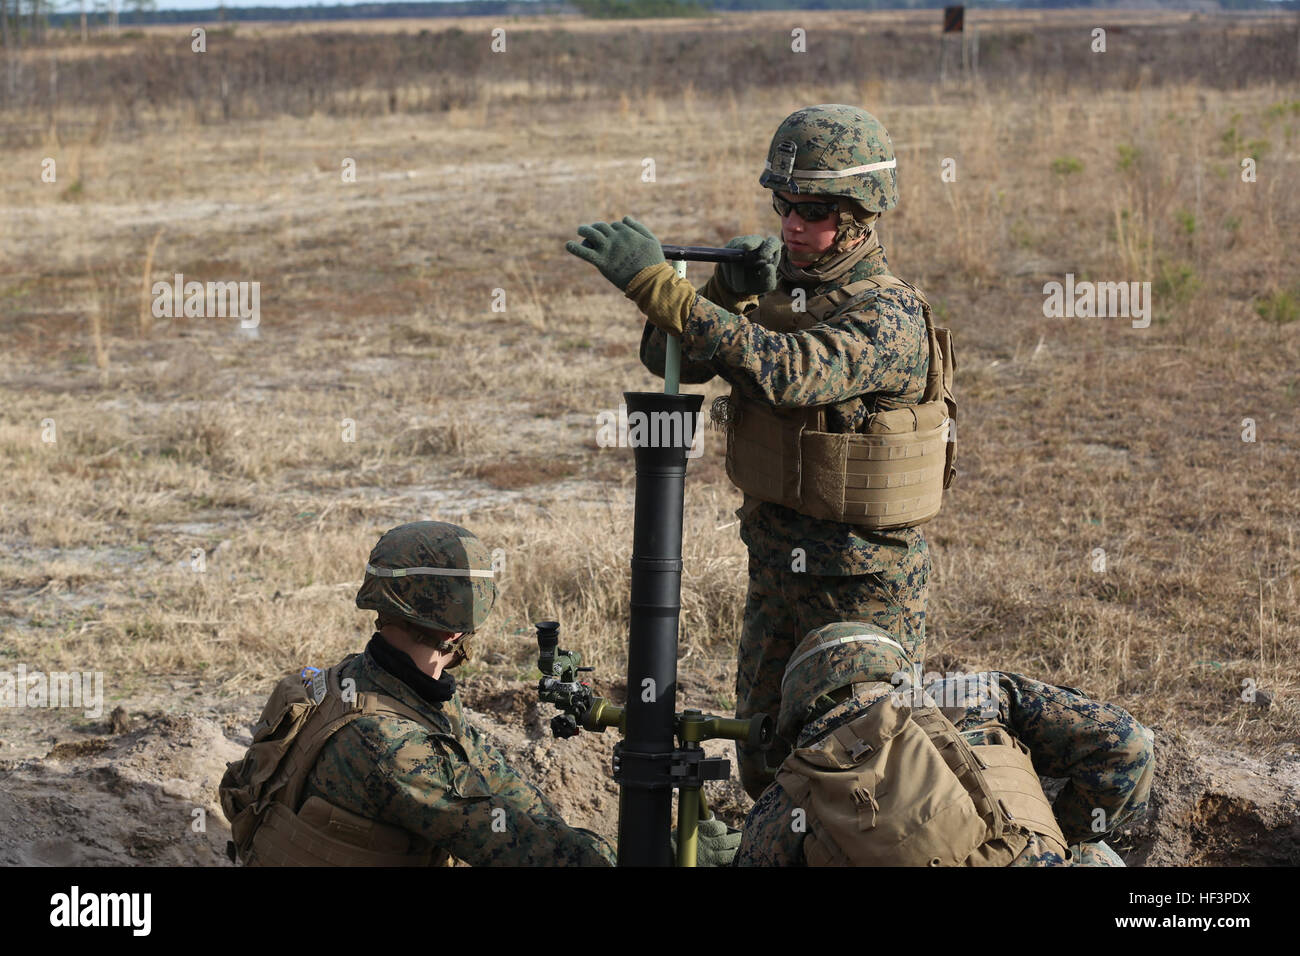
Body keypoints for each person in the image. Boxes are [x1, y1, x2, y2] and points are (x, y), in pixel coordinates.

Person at [565, 105, 955, 799]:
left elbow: (787, 370)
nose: (793, 225)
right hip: (778, 567)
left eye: (814, 210)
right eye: (784, 205)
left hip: (860, 584)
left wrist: (661, 285)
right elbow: (666, 358)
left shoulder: (887, 315)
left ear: (863, 215)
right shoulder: (789, 291)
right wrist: (726, 290)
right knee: (764, 758)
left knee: (857, 775)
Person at [221, 521, 616, 866]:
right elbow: (521, 851)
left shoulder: (363, 680)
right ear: (455, 631)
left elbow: (494, 777)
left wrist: (557, 829)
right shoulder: (393, 746)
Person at [735, 622, 1154, 866]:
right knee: (1095, 854)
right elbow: (1127, 746)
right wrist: (1060, 836)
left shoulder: (782, 801)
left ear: (797, 704)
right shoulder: (971, 696)